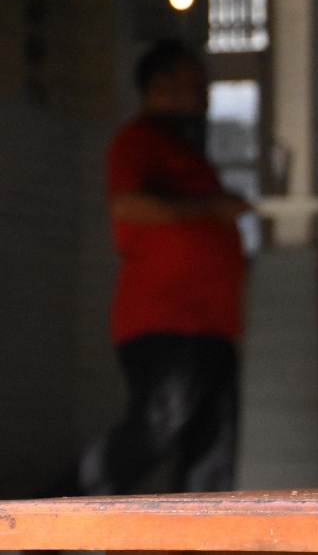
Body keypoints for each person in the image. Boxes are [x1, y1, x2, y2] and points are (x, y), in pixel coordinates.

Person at [49, 40, 250, 496]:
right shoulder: (137, 140)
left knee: (212, 452)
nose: (206, 94)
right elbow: (130, 204)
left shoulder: (187, 151)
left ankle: (202, 543)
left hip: (212, 326)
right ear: (161, 87)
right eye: (196, 83)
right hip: (165, 321)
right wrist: (211, 206)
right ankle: (45, 523)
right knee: (154, 429)